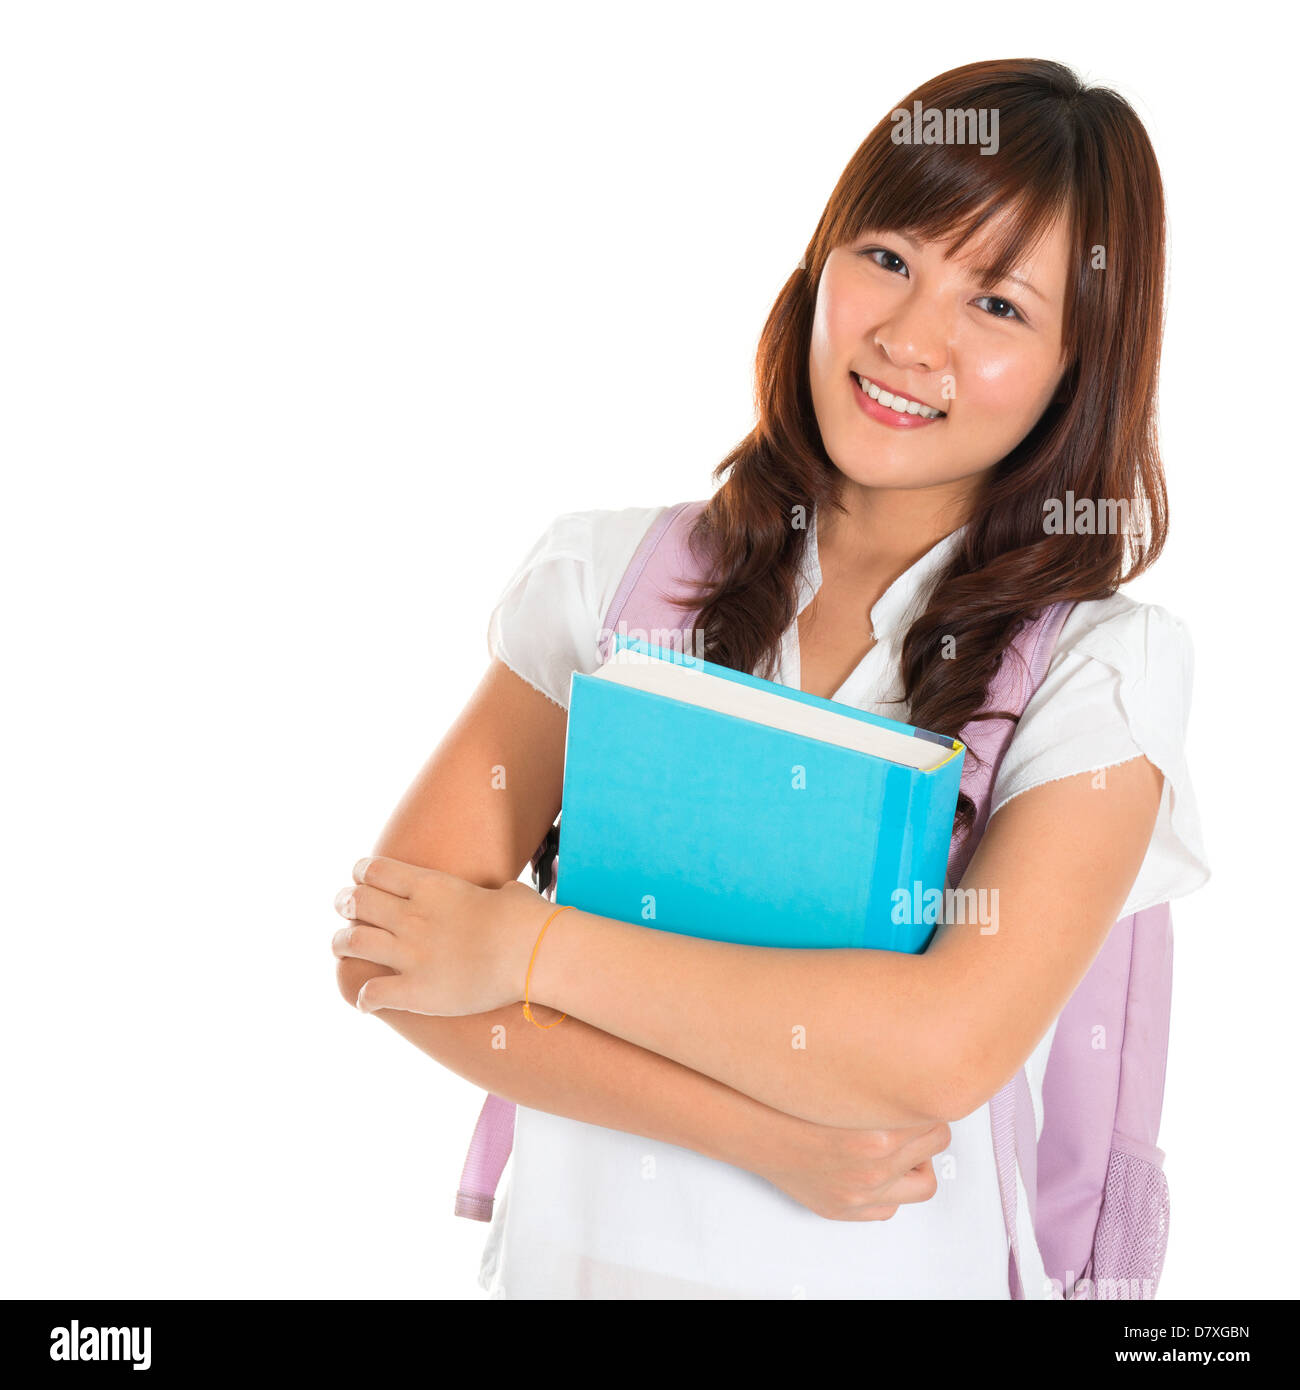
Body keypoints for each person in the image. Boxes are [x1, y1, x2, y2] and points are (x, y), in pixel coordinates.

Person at [332, 57, 1209, 1299]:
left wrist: (524, 944)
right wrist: (762, 1133)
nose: (911, 339)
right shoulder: (607, 577)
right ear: (820, 264)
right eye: (890, 257)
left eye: (998, 307)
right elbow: (392, 953)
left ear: (1081, 363)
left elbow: (941, 1046)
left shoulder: (1098, 668)